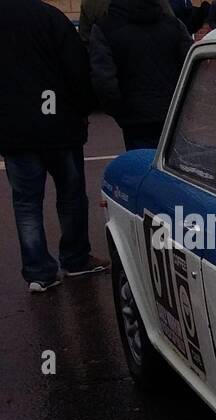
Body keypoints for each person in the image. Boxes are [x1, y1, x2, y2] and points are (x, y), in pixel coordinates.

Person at [1, 0, 108, 294]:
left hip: (14, 129)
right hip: (59, 124)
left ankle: (38, 272)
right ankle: (75, 258)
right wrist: (84, 108)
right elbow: (76, 68)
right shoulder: (50, 18)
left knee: (26, 203)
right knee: (71, 196)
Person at [89, 0, 192, 151]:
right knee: (175, 166)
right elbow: (191, 64)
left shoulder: (105, 28)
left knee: (142, 167)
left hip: (134, 117)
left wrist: (118, 110)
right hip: (172, 109)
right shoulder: (173, 24)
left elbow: (104, 80)